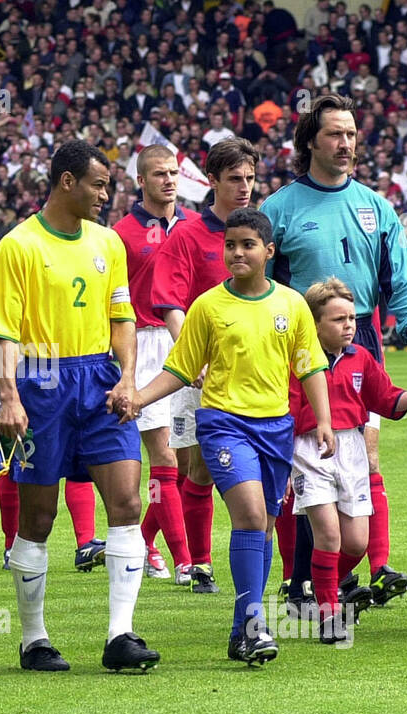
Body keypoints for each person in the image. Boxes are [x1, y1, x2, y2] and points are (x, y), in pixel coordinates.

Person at [122, 208, 333, 665]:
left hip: (275, 428)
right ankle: (255, 624)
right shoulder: (208, 306)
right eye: (231, 245)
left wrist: (324, 420)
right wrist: (139, 397)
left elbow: (311, 366)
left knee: (263, 522)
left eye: (248, 245)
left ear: (268, 251)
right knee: (252, 514)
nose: (237, 252)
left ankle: (241, 632)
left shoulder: (292, 305)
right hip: (222, 423)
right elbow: (180, 367)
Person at [0, 139, 159, 674]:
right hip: (41, 379)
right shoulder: (19, 245)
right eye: (98, 185)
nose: (106, 195)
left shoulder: (108, 243)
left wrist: (128, 377)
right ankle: (34, 640)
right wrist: (9, 396)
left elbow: (122, 318)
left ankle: (120, 635)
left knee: (127, 504)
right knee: (38, 518)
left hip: (99, 380)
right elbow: (4, 332)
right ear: (66, 182)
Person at [259, 94, 407, 612]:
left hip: (361, 343)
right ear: (311, 140)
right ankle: (297, 580)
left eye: (352, 134)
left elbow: (402, 274)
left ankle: (347, 573)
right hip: (297, 347)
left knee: (361, 455)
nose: (346, 143)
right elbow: (254, 279)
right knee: (303, 463)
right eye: (335, 134)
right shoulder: (281, 207)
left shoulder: (375, 206)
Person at [290, 278, 407, 643]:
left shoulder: (362, 358)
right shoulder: (298, 360)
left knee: (355, 543)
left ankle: (318, 588)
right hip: (310, 449)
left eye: (352, 318)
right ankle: (329, 616)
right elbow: (287, 414)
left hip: (352, 449)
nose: (349, 325)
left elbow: (385, 399)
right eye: (338, 319)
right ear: (314, 322)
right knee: (328, 534)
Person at [150, 137, 260, 592]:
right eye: (235, 179)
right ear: (211, 181)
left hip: (254, 369)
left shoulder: (258, 231)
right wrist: (190, 353)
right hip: (202, 371)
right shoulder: (188, 236)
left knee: (258, 468)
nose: (245, 187)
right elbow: (169, 301)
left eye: (251, 178)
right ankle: (200, 565)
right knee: (198, 468)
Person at [0, 265, 107, 572]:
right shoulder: (18, 248)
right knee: (20, 457)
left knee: (80, 454)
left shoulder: (86, 247)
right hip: (30, 364)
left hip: (77, 365)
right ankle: (11, 545)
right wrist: (14, 330)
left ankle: (86, 543)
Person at [111, 143, 198, 581]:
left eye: (173, 172)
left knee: (186, 464)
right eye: (159, 173)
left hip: (187, 340)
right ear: (140, 181)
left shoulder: (195, 227)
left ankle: (146, 539)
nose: (168, 180)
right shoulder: (121, 235)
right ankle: (187, 562)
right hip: (143, 345)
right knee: (163, 454)